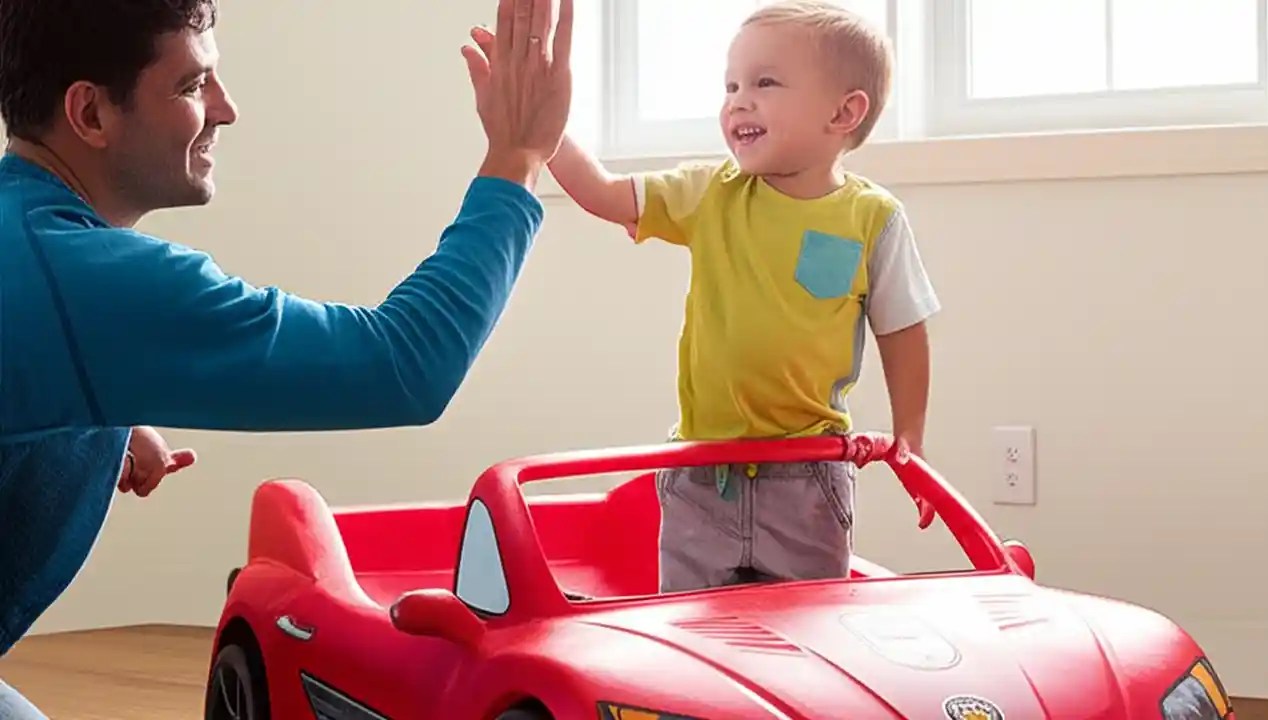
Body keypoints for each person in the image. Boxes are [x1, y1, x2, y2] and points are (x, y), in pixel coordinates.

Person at [0, 0, 573, 713]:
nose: (226, 109)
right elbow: (403, 365)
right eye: (189, 86)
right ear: (89, 114)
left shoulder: (29, 246)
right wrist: (516, 159)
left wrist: (90, 421)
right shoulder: (85, 280)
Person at [546, 0, 939, 593]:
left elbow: (902, 328)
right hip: (703, 474)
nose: (738, 101)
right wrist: (544, 130)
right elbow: (601, 193)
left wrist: (910, 435)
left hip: (806, 477)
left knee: (806, 637)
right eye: (731, 85)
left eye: (765, 83)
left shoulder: (872, 218)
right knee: (697, 639)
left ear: (844, 112)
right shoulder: (711, 193)